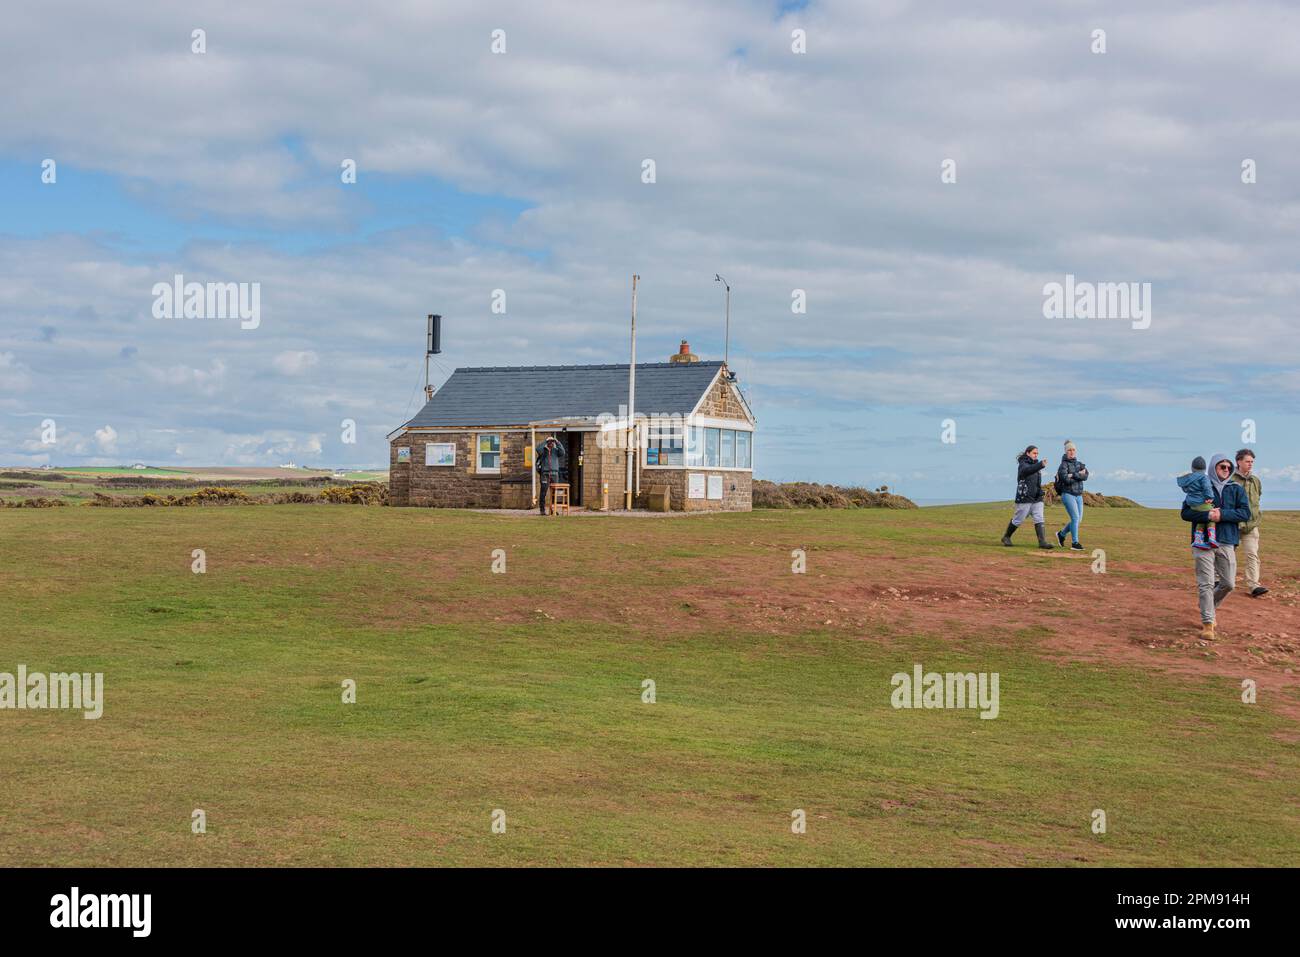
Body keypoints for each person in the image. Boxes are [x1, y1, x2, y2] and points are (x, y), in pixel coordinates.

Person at [1183, 453, 1251, 641]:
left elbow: (1245, 513)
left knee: (1229, 583)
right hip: (1202, 540)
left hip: (1227, 540)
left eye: (1229, 467)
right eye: (1222, 467)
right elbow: (1186, 513)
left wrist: (1221, 515)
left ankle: (1208, 606)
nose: (1226, 470)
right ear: (1214, 467)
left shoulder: (1235, 489)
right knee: (1205, 583)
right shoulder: (1199, 487)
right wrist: (1207, 516)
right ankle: (1208, 623)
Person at [1001, 445, 1054, 549]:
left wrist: (1040, 492)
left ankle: (1042, 542)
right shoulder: (1023, 464)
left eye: (1037, 453)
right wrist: (1040, 465)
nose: (1036, 455)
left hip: (1036, 498)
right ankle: (1006, 537)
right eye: (1034, 453)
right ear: (1028, 453)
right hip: (1024, 497)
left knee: (1039, 517)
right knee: (1018, 519)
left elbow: (1037, 482)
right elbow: (1027, 471)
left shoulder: (1036, 465)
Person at [1231, 448, 1267, 597]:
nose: (1250, 464)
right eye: (1247, 461)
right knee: (1227, 555)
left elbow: (1258, 498)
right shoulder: (1230, 480)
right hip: (1232, 525)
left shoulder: (1255, 480)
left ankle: (1254, 586)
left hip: (1251, 526)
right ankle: (1220, 581)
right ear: (1239, 461)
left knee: (1252, 555)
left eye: (1252, 461)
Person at [1176, 456, 1218, 550]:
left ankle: (1198, 539)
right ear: (1204, 468)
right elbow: (1207, 487)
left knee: (1201, 519)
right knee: (1211, 516)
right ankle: (1212, 538)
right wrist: (1210, 497)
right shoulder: (1203, 477)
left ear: (1192, 468)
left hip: (1192, 504)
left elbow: (1185, 489)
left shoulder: (1188, 478)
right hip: (1201, 502)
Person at [1054, 440, 1089, 550]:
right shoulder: (1063, 465)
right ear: (1066, 451)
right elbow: (1066, 480)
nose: (1071, 452)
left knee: (1078, 520)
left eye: (1073, 450)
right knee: (1075, 518)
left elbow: (1086, 476)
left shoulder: (1080, 464)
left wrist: (1073, 474)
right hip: (1068, 494)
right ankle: (1075, 543)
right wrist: (1078, 475)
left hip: (1079, 495)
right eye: (1069, 450)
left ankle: (1061, 534)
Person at [535, 436, 566, 515]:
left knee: (554, 493)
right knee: (543, 492)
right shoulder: (543, 451)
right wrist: (546, 440)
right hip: (544, 474)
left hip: (554, 474)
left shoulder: (556, 451)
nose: (551, 443)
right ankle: (542, 510)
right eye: (549, 442)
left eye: (552, 442)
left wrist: (557, 442)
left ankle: (553, 510)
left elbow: (562, 452)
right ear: (547, 443)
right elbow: (538, 449)